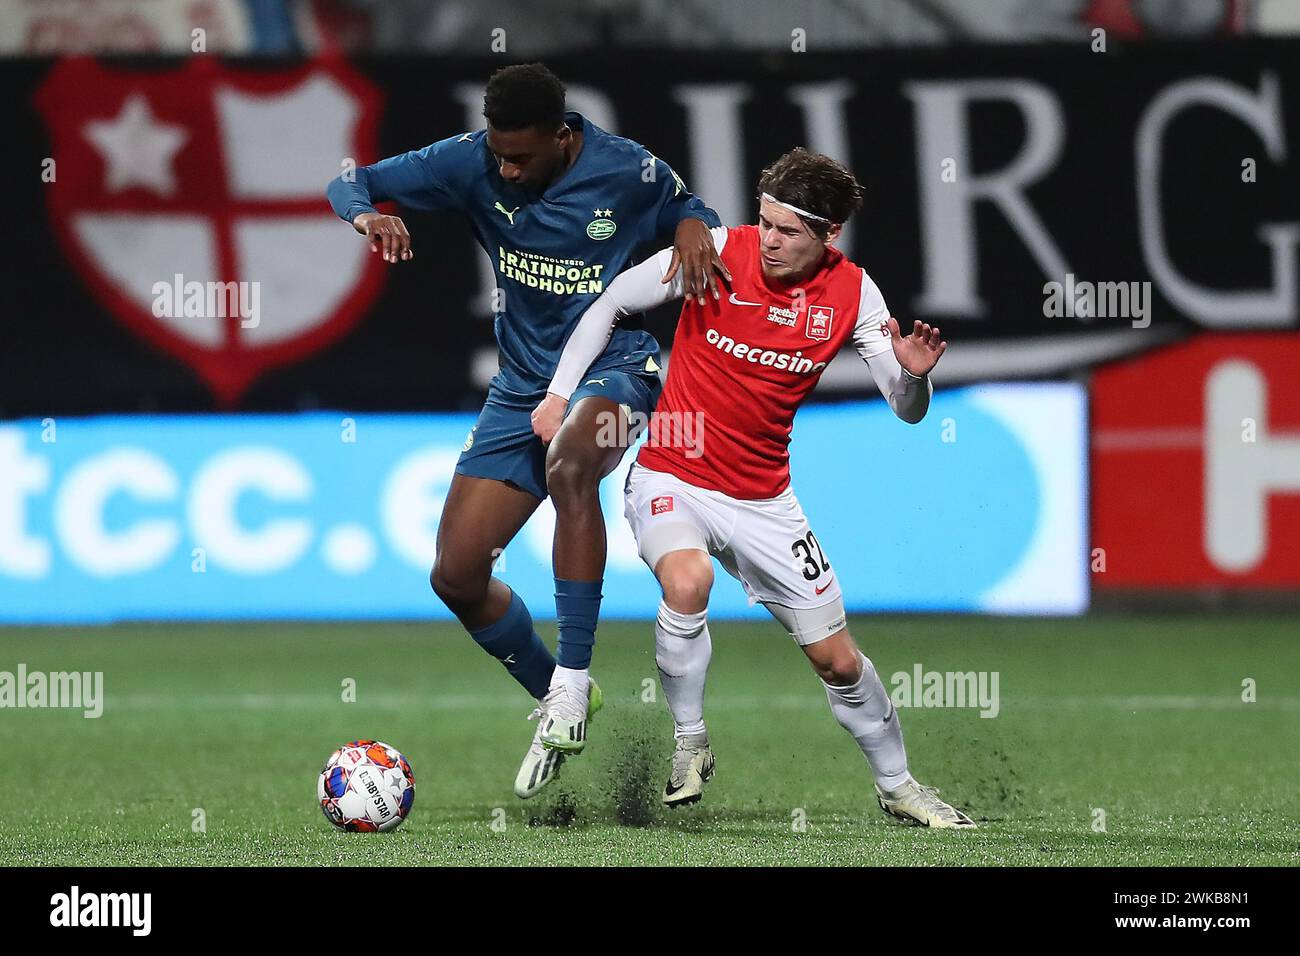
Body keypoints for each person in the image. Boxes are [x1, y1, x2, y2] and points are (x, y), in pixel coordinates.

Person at [532, 148, 976, 827]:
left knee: (838, 661)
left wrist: (915, 375)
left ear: (830, 237)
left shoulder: (854, 293)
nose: (768, 240)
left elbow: (906, 408)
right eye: (765, 222)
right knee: (686, 584)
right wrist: (560, 396)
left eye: (788, 231)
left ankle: (899, 785)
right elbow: (613, 302)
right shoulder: (716, 251)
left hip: (765, 501)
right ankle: (690, 742)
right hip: (672, 474)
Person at [327, 63, 726, 798]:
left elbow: (686, 205)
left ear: (563, 136)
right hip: (521, 389)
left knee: (572, 465)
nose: (506, 168)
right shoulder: (471, 161)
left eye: (522, 157)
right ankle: (554, 689)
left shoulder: (626, 168)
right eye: (499, 154)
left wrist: (696, 226)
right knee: (456, 575)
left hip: (619, 369)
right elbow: (351, 179)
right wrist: (366, 215)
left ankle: (573, 681)